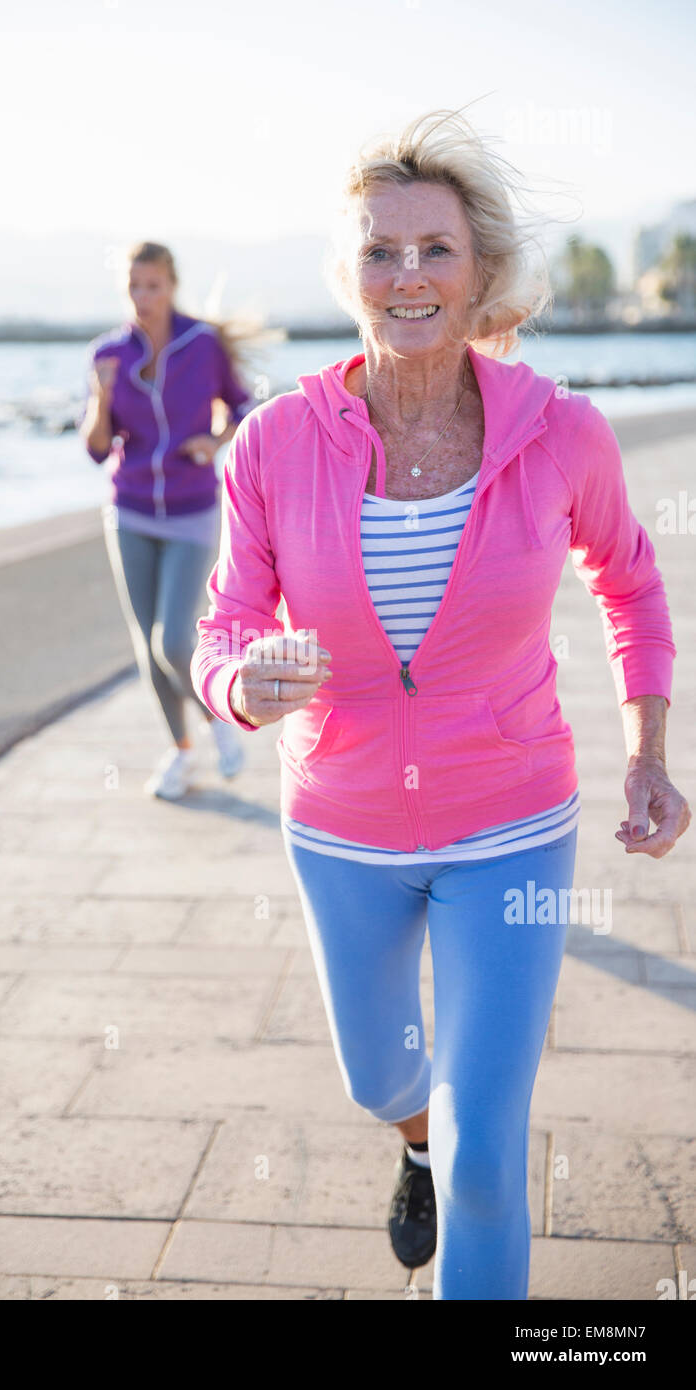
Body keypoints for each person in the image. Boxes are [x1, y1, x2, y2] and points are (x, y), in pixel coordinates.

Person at [190, 108, 690, 1300]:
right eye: (379, 251)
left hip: (507, 826)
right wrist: (239, 681)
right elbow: (222, 624)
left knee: (485, 1162)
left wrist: (646, 749)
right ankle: (407, 1139)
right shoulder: (270, 445)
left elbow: (628, 578)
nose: (405, 276)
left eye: (433, 251)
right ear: (347, 273)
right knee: (379, 1079)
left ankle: (449, 1167)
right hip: (341, 824)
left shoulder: (559, 434)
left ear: (479, 276)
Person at [79, 241, 254, 798]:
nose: (143, 297)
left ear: (172, 286)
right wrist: (101, 398)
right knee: (144, 645)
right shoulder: (109, 353)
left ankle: (218, 722)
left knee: (174, 641)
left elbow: (243, 407)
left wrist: (214, 439)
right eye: (134, 286)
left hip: (192, 508)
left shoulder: (202, 344)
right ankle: (180, 754)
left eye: (153, 285)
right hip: (130, 510)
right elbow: (95, 448)